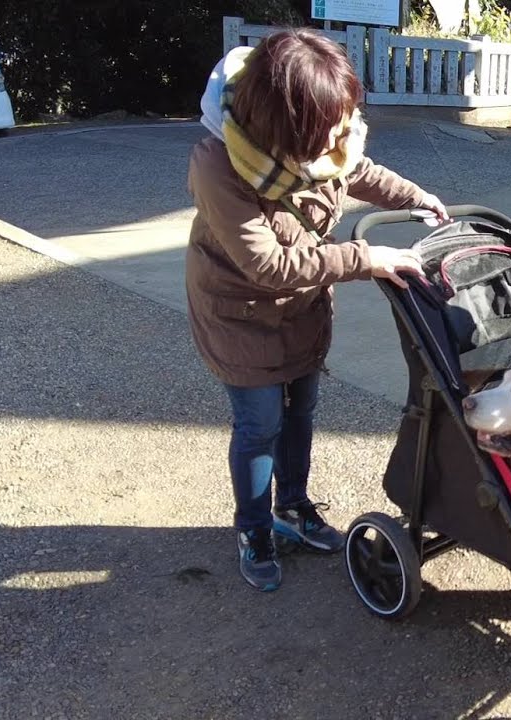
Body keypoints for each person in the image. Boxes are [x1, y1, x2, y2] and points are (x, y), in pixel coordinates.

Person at [185, 29, 448, 592]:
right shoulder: (219, 164)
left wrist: (417, 198)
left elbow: (358, 169)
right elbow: (269, 266)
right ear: (283, 125)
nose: (340, 134)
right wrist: (366, 257)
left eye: (344, 118)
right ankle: (253, 527)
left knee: (300, 412)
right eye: (327, 124)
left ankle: (295, 506)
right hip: (240, 315)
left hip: (302, 308)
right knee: (260, 425)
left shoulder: (324, 143)